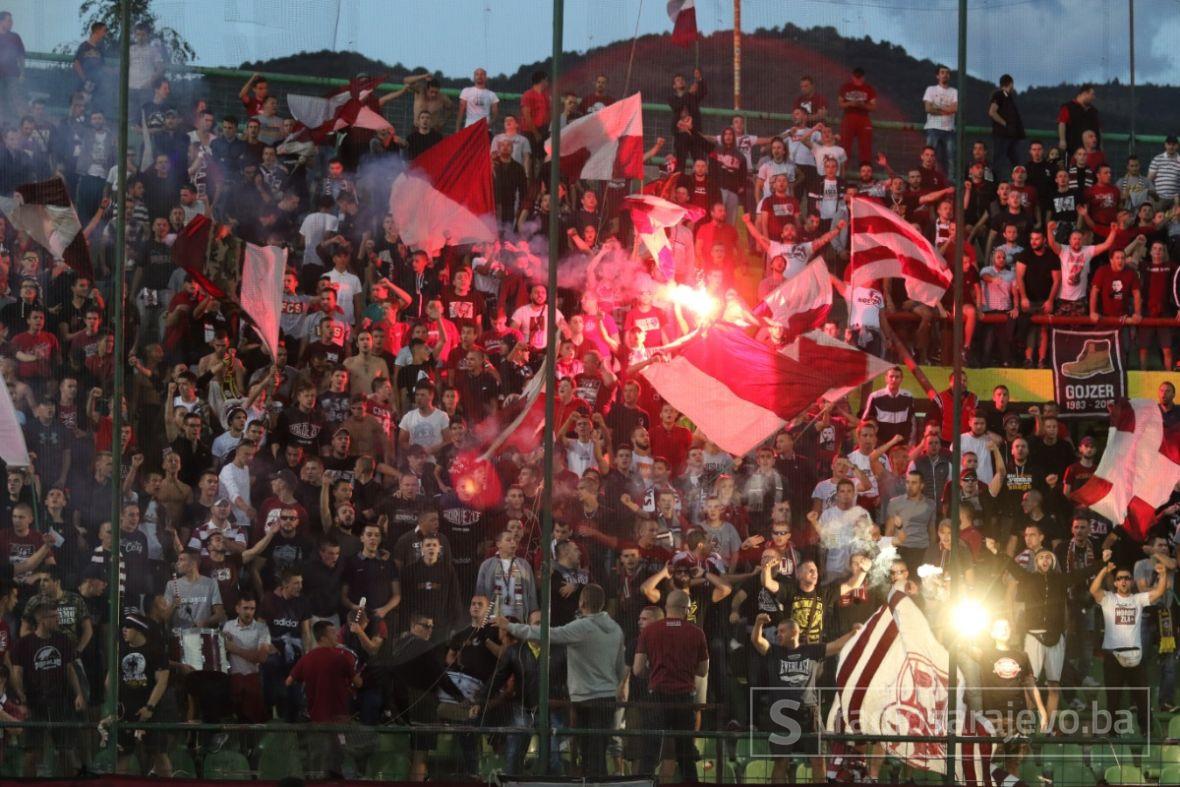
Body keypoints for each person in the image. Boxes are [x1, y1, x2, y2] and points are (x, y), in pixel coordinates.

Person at [496, 583, 626, 777]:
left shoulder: (581, 627)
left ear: (582, 603)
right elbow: (620, 667)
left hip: (585, 699)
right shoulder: (616, 629)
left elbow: (545, 634)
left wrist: (509, 626)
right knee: (597, 751)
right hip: (607, 698)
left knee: (589, 753)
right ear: (603, 604)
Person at [751, 613, 861, 781]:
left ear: (794, 632)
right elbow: (757, 641)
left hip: (809, 711)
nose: (778, 634)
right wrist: (758, 623)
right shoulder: (775, 651)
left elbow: (837, 645)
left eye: (782, 631)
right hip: (781, 712)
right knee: (781, 762)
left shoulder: (812, 650)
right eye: (777, 632)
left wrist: (854, 632)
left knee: (818, 760)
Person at [634, 588, 709, 782]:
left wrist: (655, 673)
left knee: (650, 753)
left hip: (657, 695)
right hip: (684, 698)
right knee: (686, 755)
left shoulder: (650, 630)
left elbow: (637, 669)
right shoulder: (696, 633)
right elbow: (702, 670)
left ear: (666, 607)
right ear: (687, 609)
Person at [1090, 558, 1168, 735]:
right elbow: (1093, 590)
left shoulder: (1138, 599)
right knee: (1113, 700)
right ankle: (1112, 735)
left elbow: (1159, 592)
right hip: (1112, 655)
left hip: (1135, 656)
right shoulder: (1108, 598)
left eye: (1126, 578)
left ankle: (1147, 735)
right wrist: (1104, 570)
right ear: (1116, 582)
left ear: (1131, 581)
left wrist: (1163, 574)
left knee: (1142, 699)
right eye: (1119, 578)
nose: (1123, 581)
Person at [286, 620, 360, 777]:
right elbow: (358, 683)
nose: (337, 636)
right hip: (338, 717)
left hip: (316, 719)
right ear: (323, 638)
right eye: (333, 633)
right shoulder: (340, 658)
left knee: (319, 759)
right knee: (337, 759)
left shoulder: (307, 658)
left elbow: (289, 681)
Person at [988, 74, 1025, 180]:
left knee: (1015, 161)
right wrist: (1005, 124)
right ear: (1011, 84)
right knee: (999, 161)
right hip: (1002, 135)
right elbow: (992, 112)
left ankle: (1017, 181)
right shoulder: (999, 95)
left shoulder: (1008, 97)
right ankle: (996, 183)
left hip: (1011, 135)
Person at [922, 65, 957, 176]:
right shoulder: (931, 89)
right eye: (942, 72)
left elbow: (955, 109)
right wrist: (946, 111)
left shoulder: (954, 91)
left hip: (949, 129)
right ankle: (928, 177)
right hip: (933, 128)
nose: (945, 75)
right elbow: (928, 108)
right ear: (937, 75)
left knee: (950, 158)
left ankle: (950, 181)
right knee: (930, 157)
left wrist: (937, 107)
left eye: (947, 73)